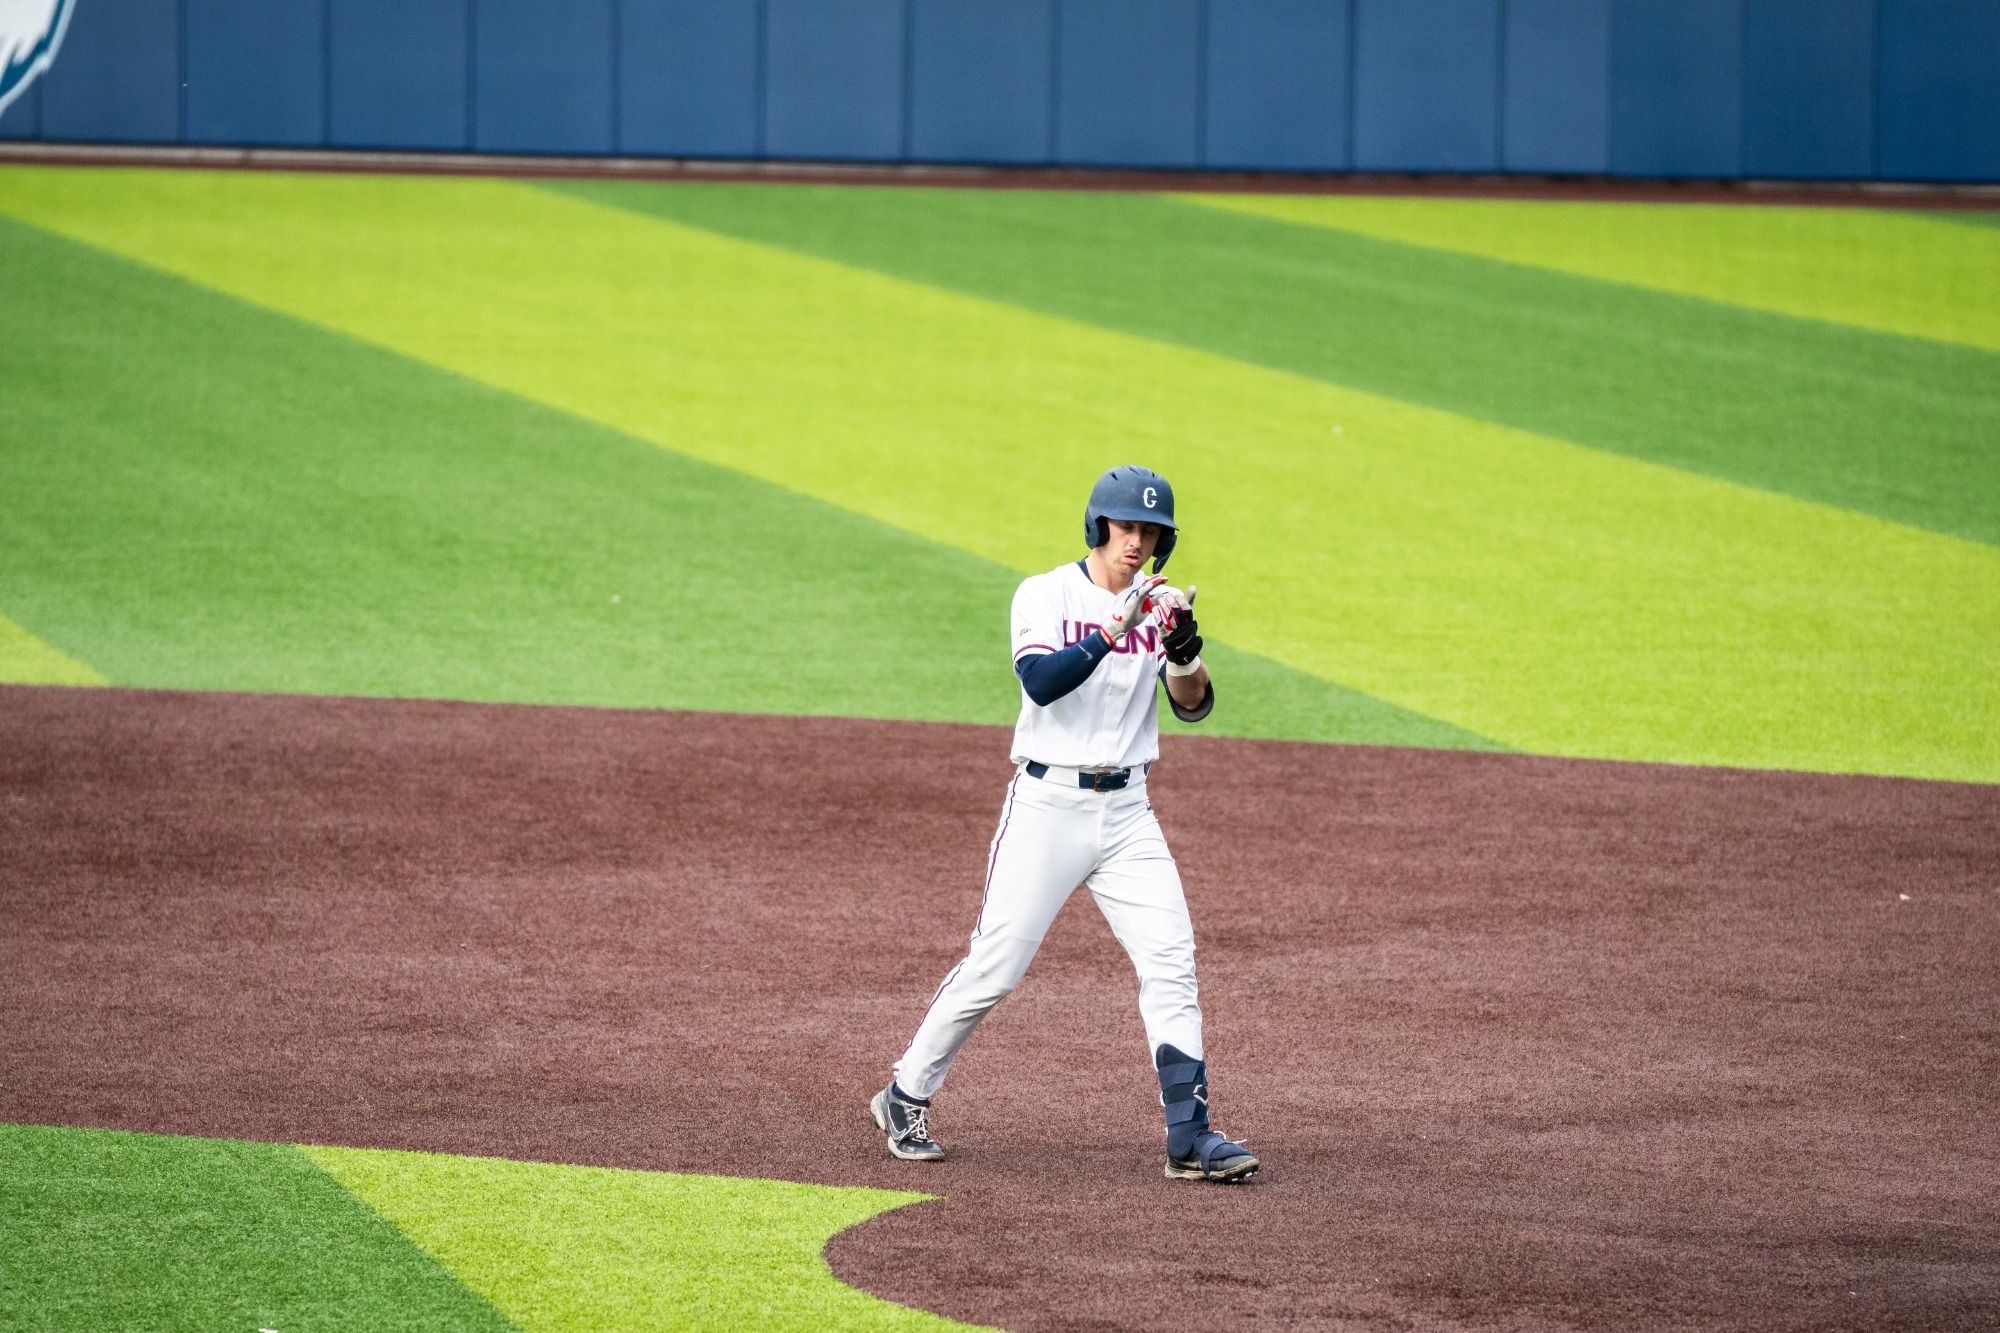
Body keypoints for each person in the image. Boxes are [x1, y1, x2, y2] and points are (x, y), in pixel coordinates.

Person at [869, 466, 1259, 1183]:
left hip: (1129, 814)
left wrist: (1182, 650)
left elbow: (1195, 705)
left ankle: (1189, 1135)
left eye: (1151, 531)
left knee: (1171, 959)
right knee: (996, 966)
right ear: (1098, 526)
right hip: (1047, 807)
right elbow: (1041, 682)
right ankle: (904, 1093)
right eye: (1126, 527)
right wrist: (1118, 628)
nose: (1137, 542)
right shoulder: (1044, 594)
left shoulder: (1161, 602)